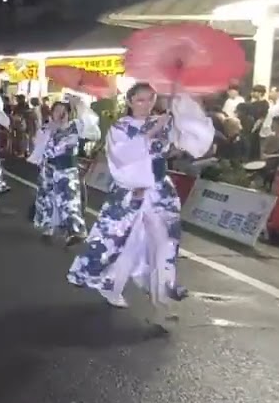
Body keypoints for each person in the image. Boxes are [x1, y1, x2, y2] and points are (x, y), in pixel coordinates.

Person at [68, 83, 213, 310]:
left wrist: (181, 111)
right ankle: (109, 283)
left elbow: (187, 143)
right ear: (129, 102)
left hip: (159, 190)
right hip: (131, 191)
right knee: (122, 242)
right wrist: (153, 132)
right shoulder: (121, 127)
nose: (146, 105)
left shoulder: (161, 121)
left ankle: (166, 283)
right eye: (140, 100)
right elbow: (122, 155)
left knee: (166, 239)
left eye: (150, 99)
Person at [29, 101, 86, 245]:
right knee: (48, 199)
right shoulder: (46, 129)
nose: (60, 114)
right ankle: (49, 227)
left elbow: (93, 130)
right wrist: (51, 132)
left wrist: (80, 106)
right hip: (49, 169)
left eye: (63, 111)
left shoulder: (76, 126)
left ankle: (75, 231)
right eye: (57, 111)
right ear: (51, 113)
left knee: (70, 201)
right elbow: (40, 148)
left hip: (68, 170)